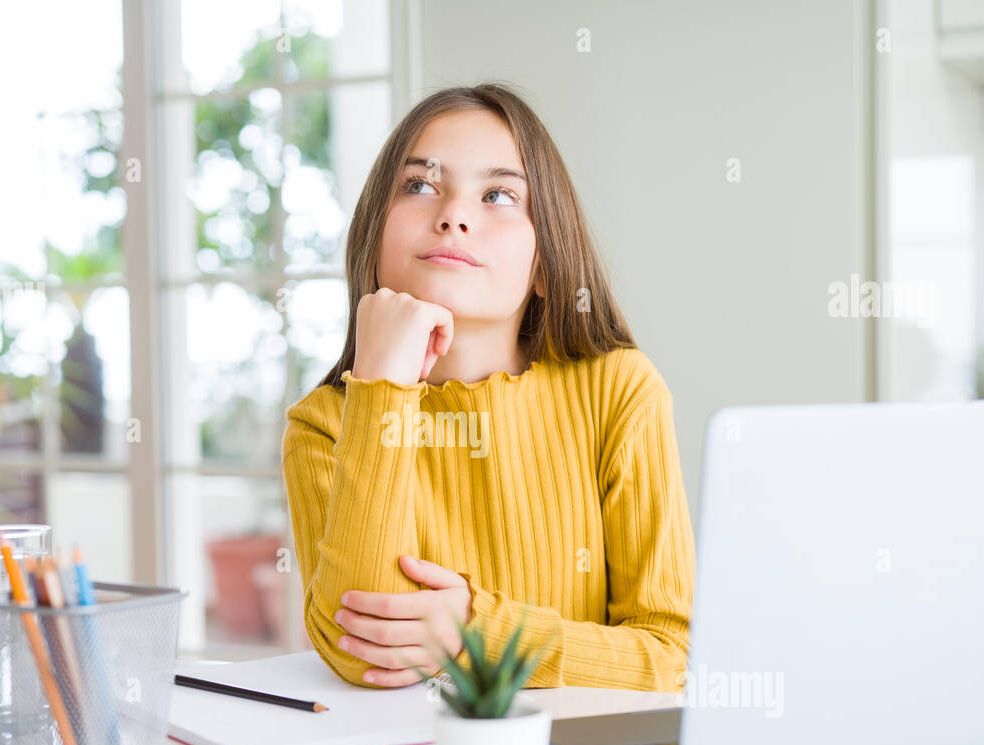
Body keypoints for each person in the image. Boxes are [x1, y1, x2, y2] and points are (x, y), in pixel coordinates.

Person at [282, 83, 694, 691]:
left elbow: (665, 655)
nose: (454, 215)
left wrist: (476, 631)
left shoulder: (620, 392)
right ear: (372, 243)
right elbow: (363, 649)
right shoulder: (324, 425)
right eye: (419, 185)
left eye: (499, 195)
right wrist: (381, 391)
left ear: (549, 266)